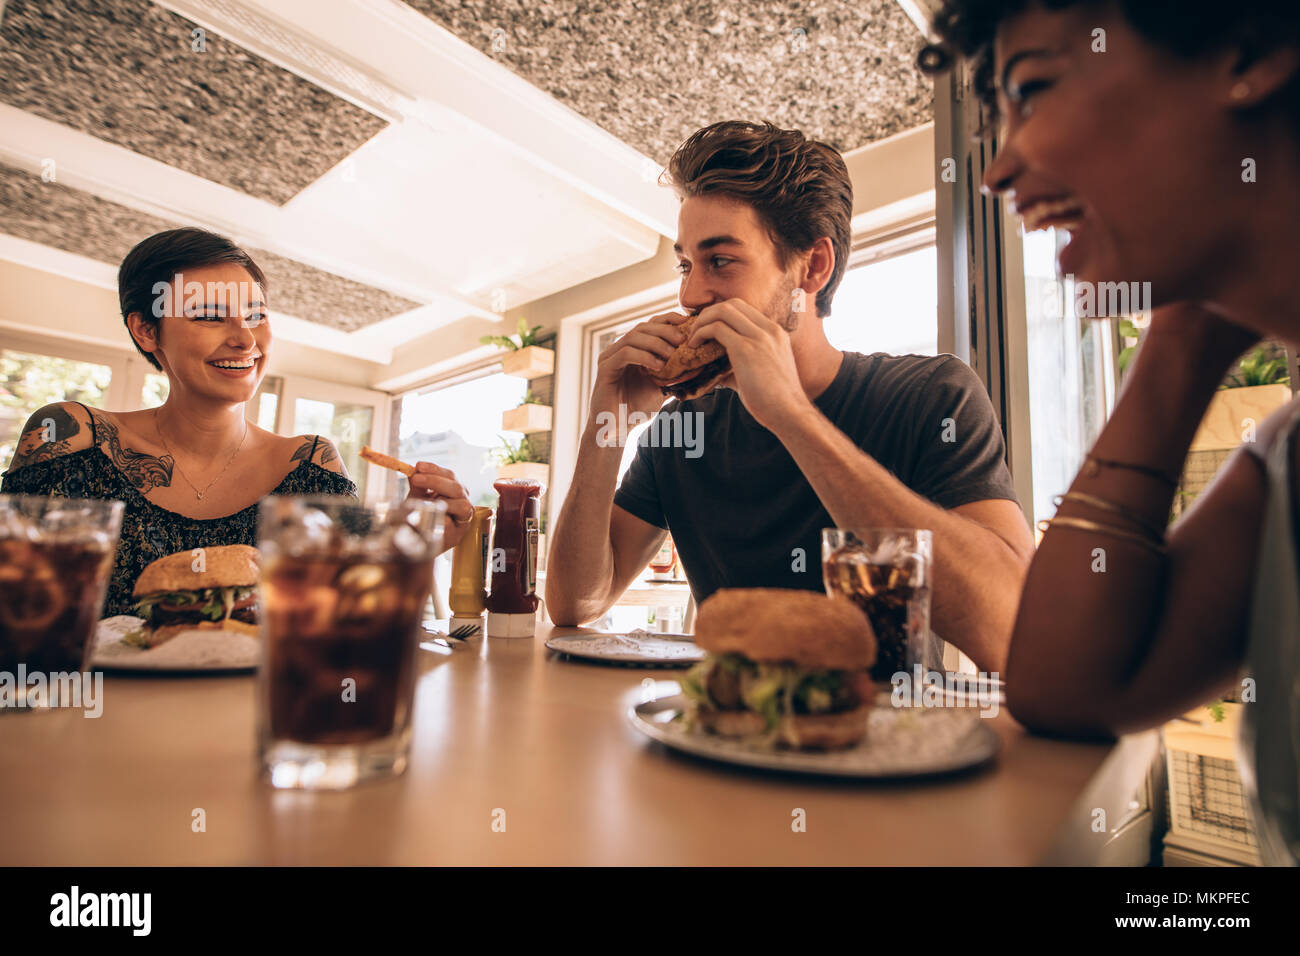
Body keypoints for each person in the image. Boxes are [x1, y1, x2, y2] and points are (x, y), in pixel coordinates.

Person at [917, 1, 1300, 863]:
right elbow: (1070, 689)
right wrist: (1182, 337)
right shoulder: (1288, 457)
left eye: (1034, 90)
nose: (998, 170)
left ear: (1255, 45)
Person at [546, 121, 1035, 675]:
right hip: (718, 737)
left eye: (721, 260)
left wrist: (790, 416)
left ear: (813, 267)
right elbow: (575, 604)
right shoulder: (680, 430)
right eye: (686, 265)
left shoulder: (932, 399)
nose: (689, 294)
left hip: (889, 745)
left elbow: (1012, 625)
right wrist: (604, 428)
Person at [1, 227, 472, 618]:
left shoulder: (310, 461)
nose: (245, 339)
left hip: (258, 722)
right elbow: (16, 616)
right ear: (146, 330)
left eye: (256, 315)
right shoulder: (73, 435)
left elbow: (339, 613)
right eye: (210, 316)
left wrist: (413, 547)